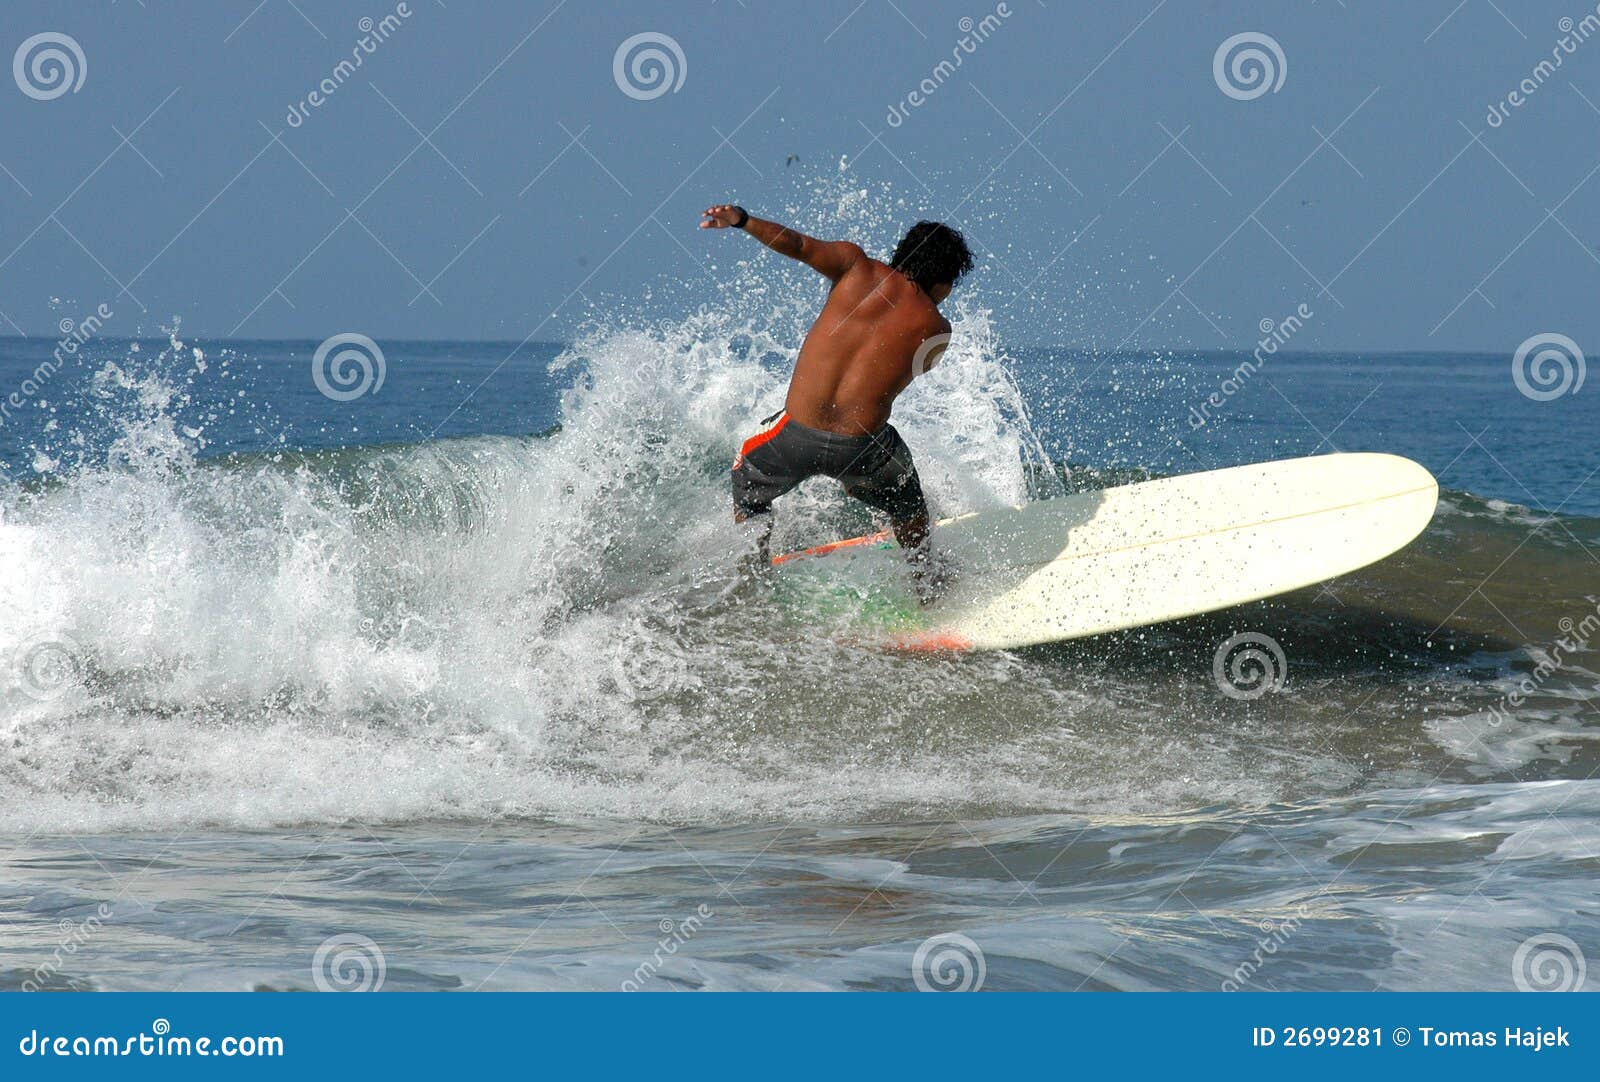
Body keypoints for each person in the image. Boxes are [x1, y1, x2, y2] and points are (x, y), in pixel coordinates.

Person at [700, 205, 974, 600]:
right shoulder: (937, 328)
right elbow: (914, 371)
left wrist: (744, 220)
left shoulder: (853, 266)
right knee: (909, 502)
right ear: (943, 277)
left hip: (793, 438)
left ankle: (754, 574)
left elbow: (796, 244)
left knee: (747, 480)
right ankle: (926, 582)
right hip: (862, 448)